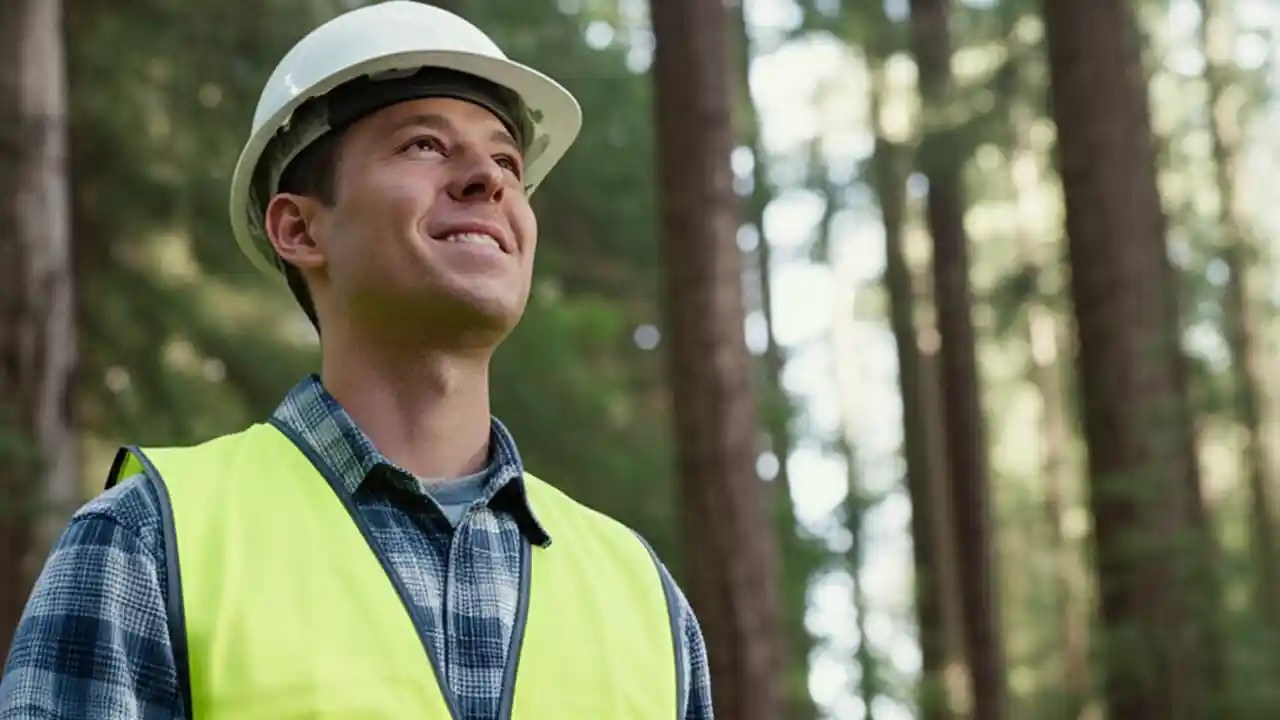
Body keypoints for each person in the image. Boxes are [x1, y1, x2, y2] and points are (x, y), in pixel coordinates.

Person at [0, 3, 712, 718]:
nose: (488, 180)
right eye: (424, 145)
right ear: (299, 229)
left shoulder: (646, 601)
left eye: (507, 161)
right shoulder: (148, 543)